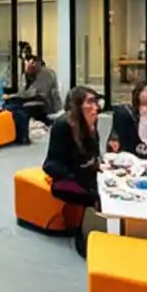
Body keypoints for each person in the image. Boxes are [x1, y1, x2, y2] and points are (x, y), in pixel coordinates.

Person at [43, 86, 102, 255]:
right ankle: (82, 236)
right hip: (65, 178)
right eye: (90, 102)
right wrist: (80, 172)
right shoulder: (62, 126)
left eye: (95, 102)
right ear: (78, 105)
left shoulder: (90, 122)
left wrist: (92, 132)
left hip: (85, 175)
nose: (95, 107)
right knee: (93, 197)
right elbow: (52, 165)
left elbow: (93, 154)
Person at [5, 55, 61, 143]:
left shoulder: (46, 73)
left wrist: (15, 96)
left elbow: (32, 93)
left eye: (28, 64)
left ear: (35, 63)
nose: (26, 66)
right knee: (11, 105)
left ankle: (22, 137)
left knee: (19, 109)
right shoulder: (33, 75)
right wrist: (26, 76)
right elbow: (23, 91)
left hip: (46, 104)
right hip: (36, 100)